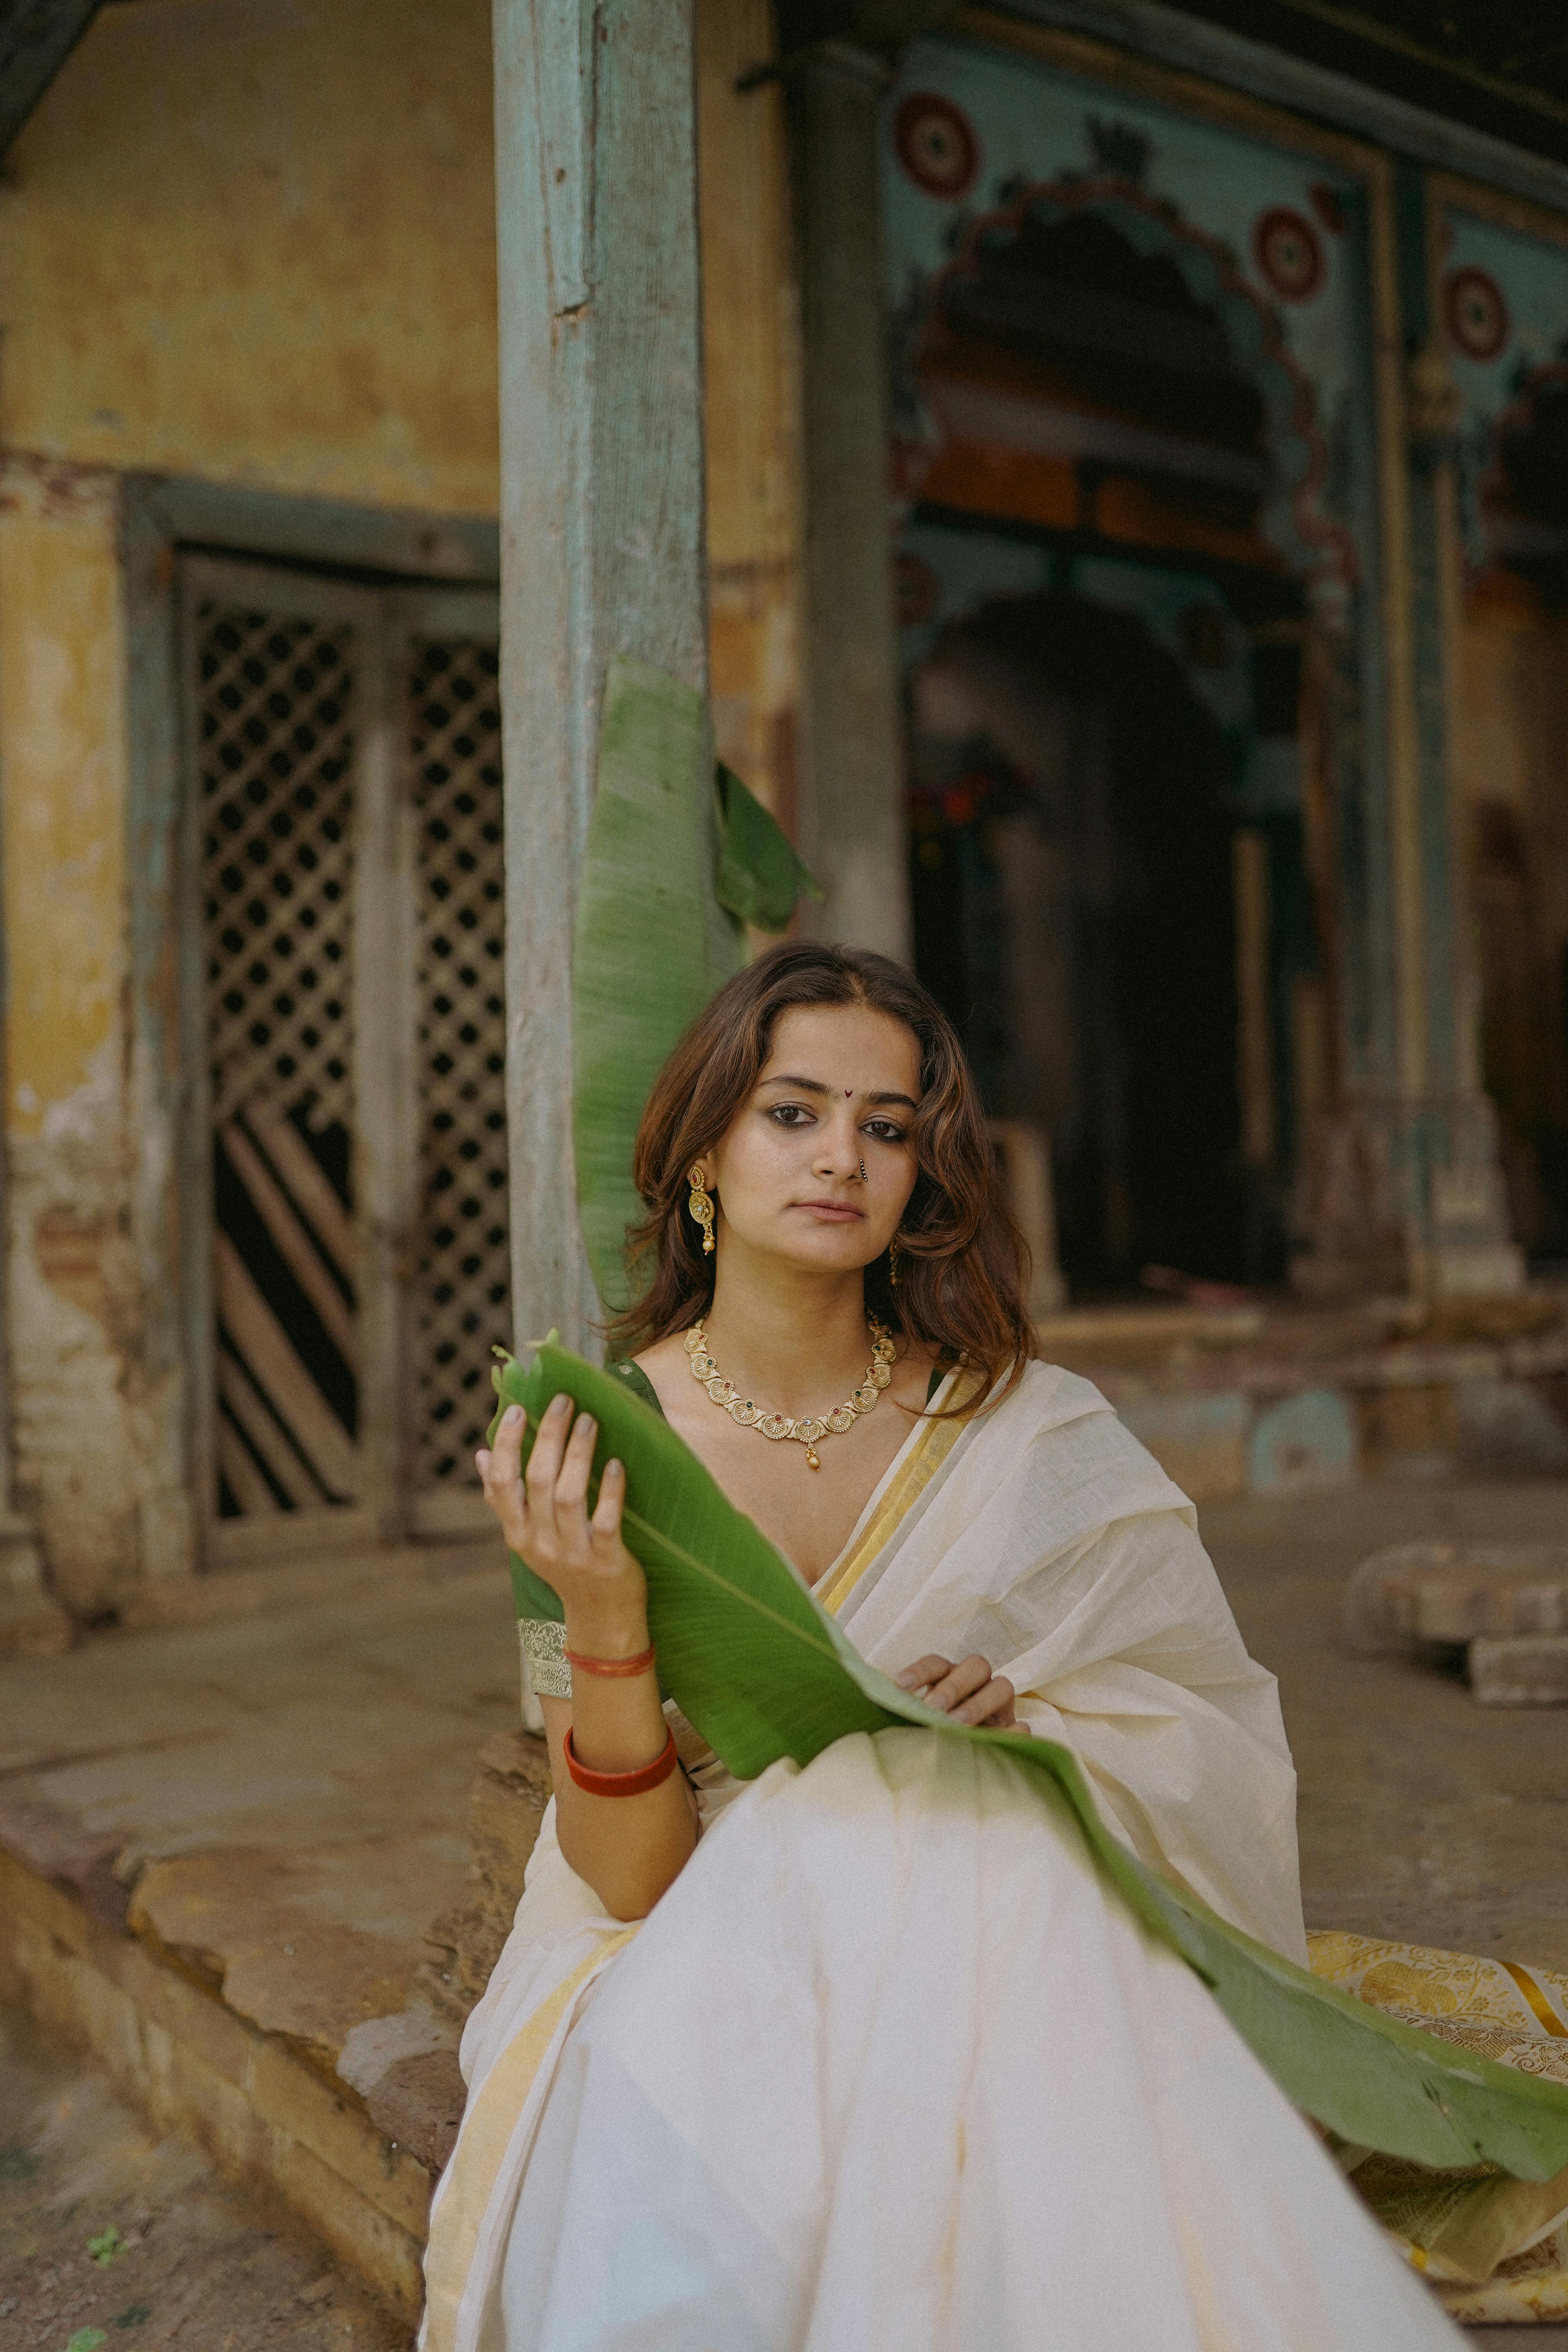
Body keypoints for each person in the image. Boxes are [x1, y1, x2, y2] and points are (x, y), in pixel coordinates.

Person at [421, 942, 1458, 2352]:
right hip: (696, 1945)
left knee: (961, 1822)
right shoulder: (588, 1448)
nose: (841, 1153)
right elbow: (627, 1882)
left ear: (921, 1176)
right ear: (705, 1156)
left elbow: (1199, 1723)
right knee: (871, 1834)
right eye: (793, 1113)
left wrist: (1028, 1736)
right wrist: (606, 1623)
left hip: (983, 1905)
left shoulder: (1027, 1434)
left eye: (887, 1126)